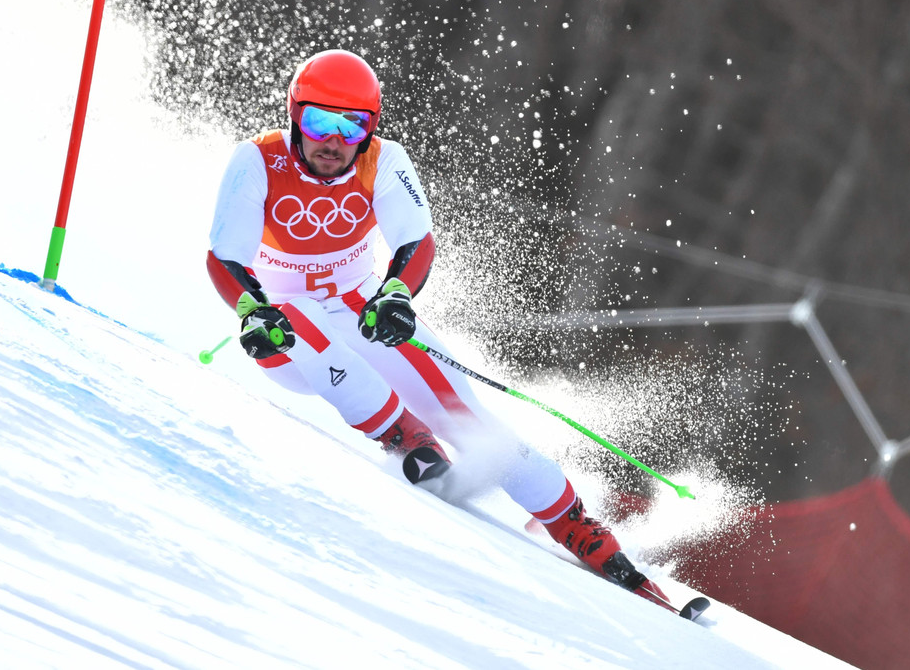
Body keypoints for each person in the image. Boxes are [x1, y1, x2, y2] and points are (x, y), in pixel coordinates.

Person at [206, 48, 667, 604]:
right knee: (317, 339)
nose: (333, 140)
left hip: (355, 306)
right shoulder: (258, 160)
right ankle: (403, 435)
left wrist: (396, 293)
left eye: (352, 125)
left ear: (370, 129)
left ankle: (574, 523)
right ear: (293, 114)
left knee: (466, 414)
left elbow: (415, 241)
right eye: (318, 121)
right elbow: (224, 256)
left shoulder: (384, 160)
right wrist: (252, 309)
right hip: (282, 326)